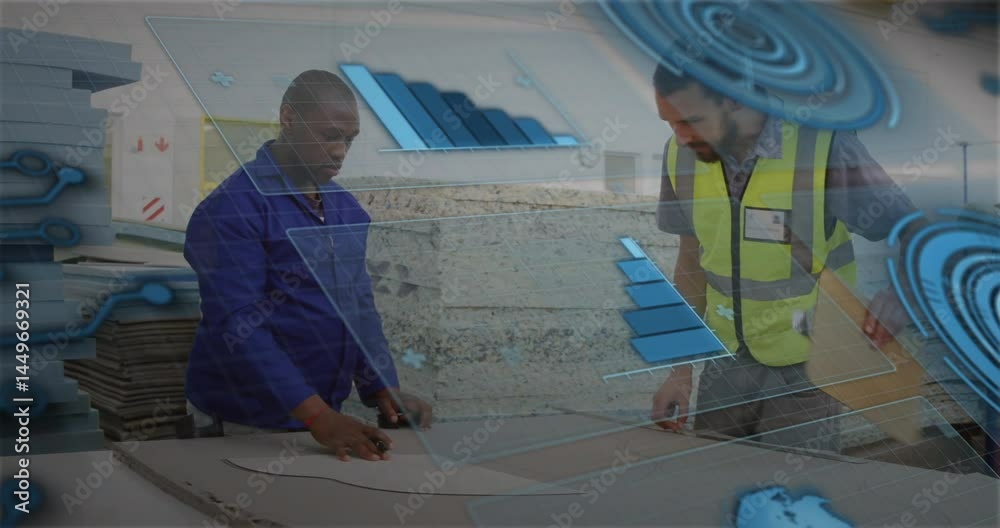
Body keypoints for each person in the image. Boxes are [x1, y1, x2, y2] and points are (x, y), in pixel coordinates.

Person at [648, 62, 915, 451]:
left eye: (691, 120)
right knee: (713, 484)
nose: (680, 136)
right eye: (669, 122)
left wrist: (899, 295)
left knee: (794, 497)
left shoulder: (823, 149)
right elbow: (690, 263)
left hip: (807, 369)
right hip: (726, 367)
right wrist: (680, 371)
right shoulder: (680, 155)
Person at [183, 70, 431, 461]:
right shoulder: (233, 208)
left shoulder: (346, 210)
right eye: (330, 135)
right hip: (245, 420)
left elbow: (358, 308)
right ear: (289, 118)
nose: (339, 152)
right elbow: (238, 323)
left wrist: (381, 387)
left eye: (348, 140)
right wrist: (316, 415)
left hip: (322, 418)